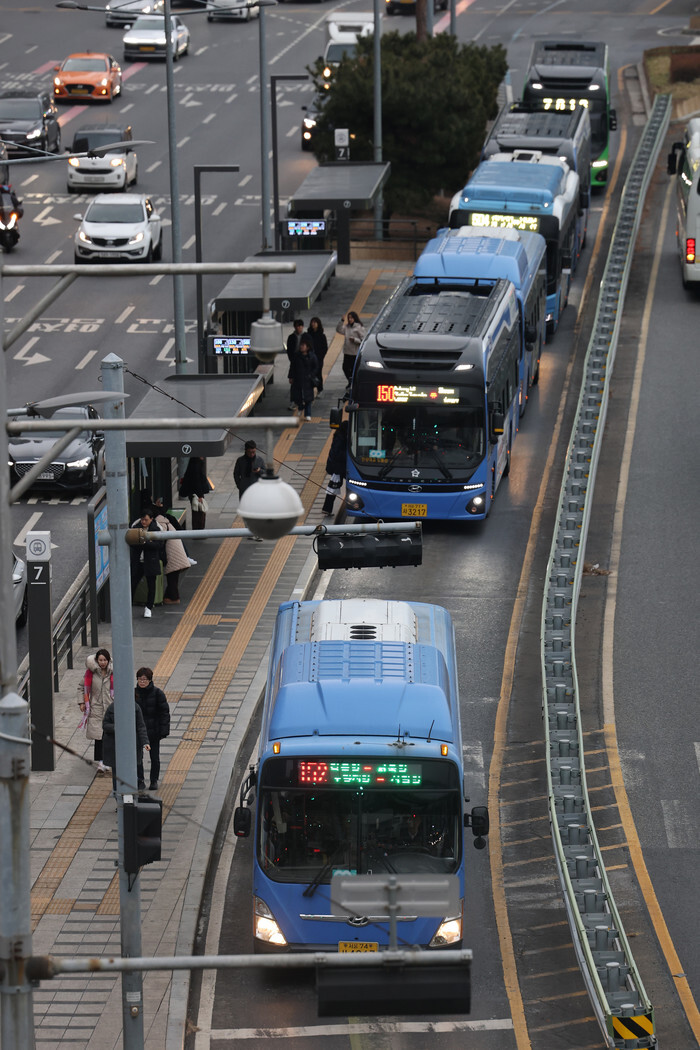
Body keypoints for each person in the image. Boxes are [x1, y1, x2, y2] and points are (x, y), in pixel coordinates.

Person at [101, 699, 150, 794]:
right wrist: (117, 727)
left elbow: (141, 726)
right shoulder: (112, 708)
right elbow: (105, 725)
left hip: (131, 747)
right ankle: (117, 794)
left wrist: (145, 742)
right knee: (117, 774)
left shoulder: (135, 707)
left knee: (131, 771)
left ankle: (131, 794)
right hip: (115, 748)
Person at [134, 667, 170, 791]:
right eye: (140, 679)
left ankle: (154, 780)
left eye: (144, 679)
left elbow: (164, 713)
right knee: (138, 757)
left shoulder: (158, 693)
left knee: (154, 757)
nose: (142, 682)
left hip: (154, 731)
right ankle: (140, 780)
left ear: (150, 680)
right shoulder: (133, 694)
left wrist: (163, 731)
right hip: (138, 732)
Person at [79, 648, 113, 775]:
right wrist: (82, 702)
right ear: (97, 661)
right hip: (96, 708)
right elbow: (81, 687)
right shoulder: (91, 673)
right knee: (99, 737)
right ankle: (101, 762)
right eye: (100, 660)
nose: (103, 662)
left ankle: (108, 761)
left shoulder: (113, 673)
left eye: (105, 660)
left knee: (110, 736)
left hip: (110, 708)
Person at [130, 510, 165, 618]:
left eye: (146, 520)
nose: (143, 522)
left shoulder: (156, 529)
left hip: (150, 561)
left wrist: (144, 543)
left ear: (151, 519)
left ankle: (148, 607)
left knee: (151, 585)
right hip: (138, 561)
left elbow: (158, 545)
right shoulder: (136, 526)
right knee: (132, 583)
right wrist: (147, 543)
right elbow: (132, 542)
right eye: (142, 519)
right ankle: (128, 605)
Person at [153, 508, 191, 604]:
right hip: (177, 553)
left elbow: (160, 540)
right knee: (173, 576)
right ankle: (169, 596)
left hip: (174, 555)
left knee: (172, 577)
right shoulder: (165, 521)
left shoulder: (160, 523)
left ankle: (174, 598)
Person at [288, 335, 319, 421]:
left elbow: (316, 367)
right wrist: (291, 377)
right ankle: (300, 407)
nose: (301, 347)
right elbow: (292, 367)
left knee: (308, 398)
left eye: (303, 345)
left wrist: (311, 375)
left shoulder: (312, 356)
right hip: (298, 379)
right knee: (298, 396)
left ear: (307, 347)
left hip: (308, 380)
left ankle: (308, 413)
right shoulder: (296, 356)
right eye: (301, 345)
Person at [322, 420, 347, 515]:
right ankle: (327, 508)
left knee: (334, 487)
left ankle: (327, 508)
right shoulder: (340, 438)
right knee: (333, 487)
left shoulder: (339, 436)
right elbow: (337, 453)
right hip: (338, 467)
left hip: (338, 466)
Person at [179, 456, 212, 530]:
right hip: (196, 493)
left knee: (197, 511)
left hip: (194, 492)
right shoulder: (196, 465)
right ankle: (198, 530)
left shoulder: (193, 464)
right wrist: (200, 495)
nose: (203, 457)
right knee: (199, 512)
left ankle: (198, 530)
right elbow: (197, 481)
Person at [336, 311, 366, 384]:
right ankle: (350, 381)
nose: (350, 319)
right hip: (347, 352)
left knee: (353, 369)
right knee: (345, 368)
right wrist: (342, 321)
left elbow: (364, 340)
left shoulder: (359, 328)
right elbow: (339, 329)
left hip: (354, 353)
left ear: (354, 318)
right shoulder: (347, 327)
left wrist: (355, 340)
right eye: (349, 318)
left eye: (351, 318)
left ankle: (353, 382)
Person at [305, 316, 328, 394]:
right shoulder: (308, 335)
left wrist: (321, 357)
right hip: (309, 358)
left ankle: (319, 389)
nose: (313, 324)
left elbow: (325, 348)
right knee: (309, 373)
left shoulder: (322, 336)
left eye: (315, 322)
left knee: (318, 373)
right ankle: (310, 388)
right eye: (312, 322)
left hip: (319, 358)